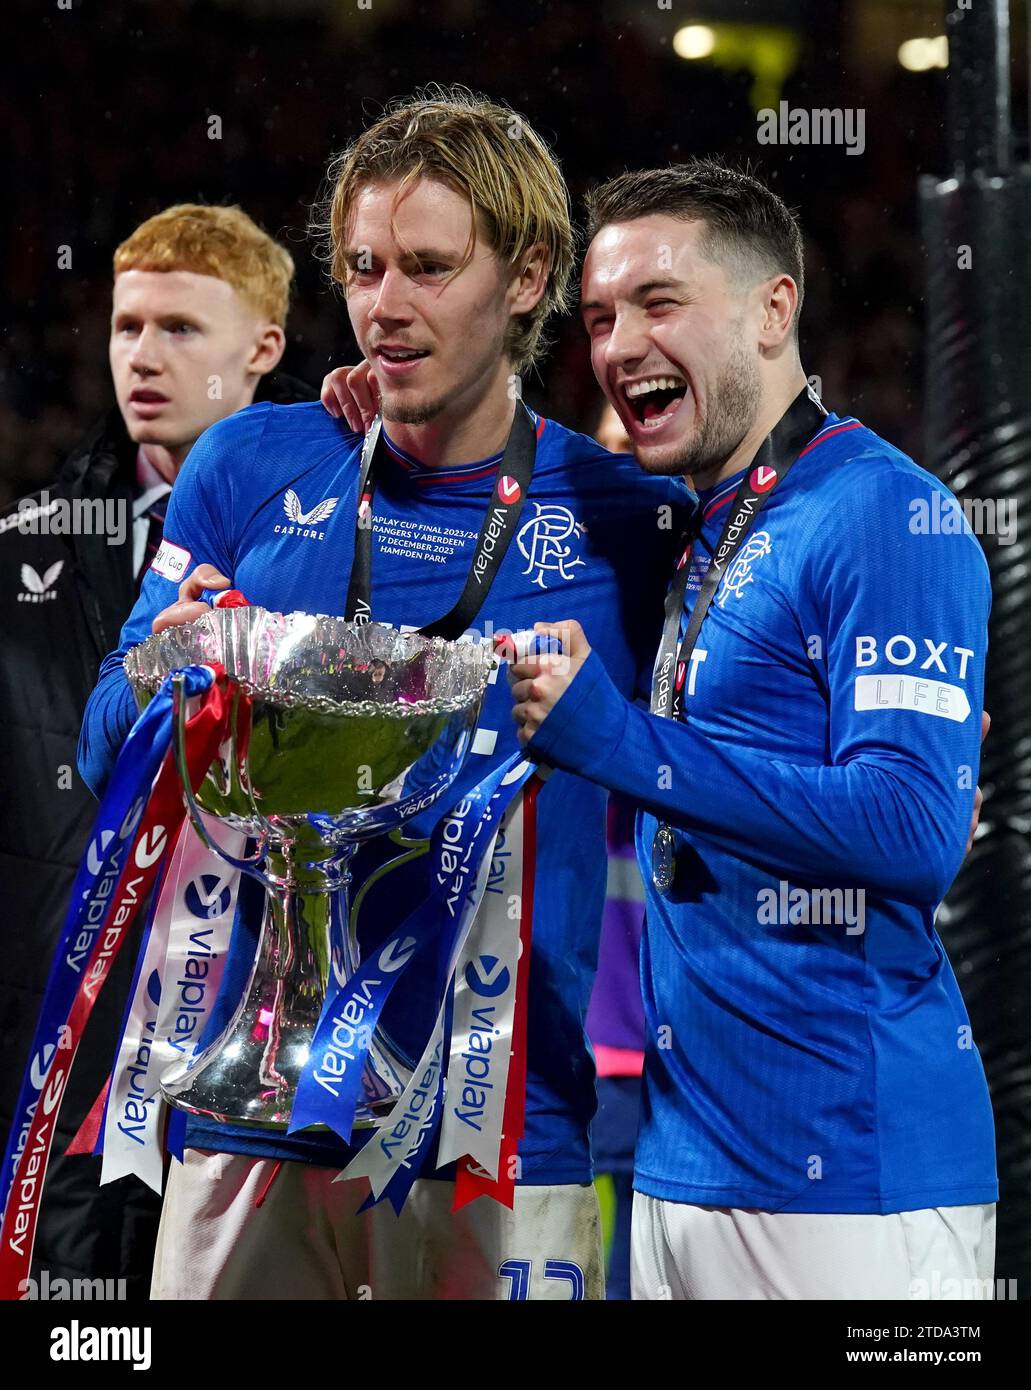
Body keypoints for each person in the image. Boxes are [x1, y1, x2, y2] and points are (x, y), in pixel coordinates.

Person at [78, 87, 687, 1301]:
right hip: (246, 1117)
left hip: (502, 1130)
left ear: (526, 278)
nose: (383, 307)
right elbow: (106, 745)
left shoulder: (628, 521)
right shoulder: (251, 464)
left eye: (425, 267)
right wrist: (187, 667)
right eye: (361, 268)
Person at [509, 159, 998, 1300]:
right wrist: (368, 417)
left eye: (658, 302)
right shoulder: (687, 527)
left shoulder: (885, 513)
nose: (619, 343)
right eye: (597, 317)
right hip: (676, 1169)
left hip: (853, 1180)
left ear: (773, 308)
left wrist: (620, 741)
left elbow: (913, 826)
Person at [1, 202, 303, 1298]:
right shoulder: (21, 557)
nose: (142, 355)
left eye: (181, 328)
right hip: (58, 1072)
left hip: (247, 1067)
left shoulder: (339, 554)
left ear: (262, 347)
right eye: (128, 326)